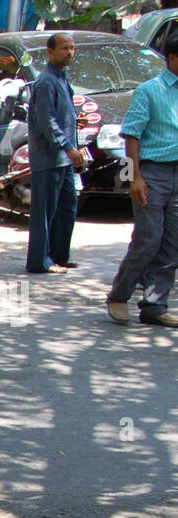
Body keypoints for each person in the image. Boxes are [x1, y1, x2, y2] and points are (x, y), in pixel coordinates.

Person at [106, 32, 178, 328]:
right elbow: (131, 134)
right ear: (172, 58)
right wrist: (135, 177)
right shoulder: (150, 90)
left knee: (172, 244)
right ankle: (119, 295)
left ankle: (154, 305)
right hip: (151, 172)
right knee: (148, 240)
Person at [26, 33, 82, 274]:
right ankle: (40, 261)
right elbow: (46, 121)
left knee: (67, 208)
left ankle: (59, 256)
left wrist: (75, 120)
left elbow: (58, 115)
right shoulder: (46, 81)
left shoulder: (62, 78)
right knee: (45, 213)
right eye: (64, 48)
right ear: (50, 52)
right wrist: (69, 147)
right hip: (50, 158)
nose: (69, 52)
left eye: (72, 48)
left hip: (63, 160)